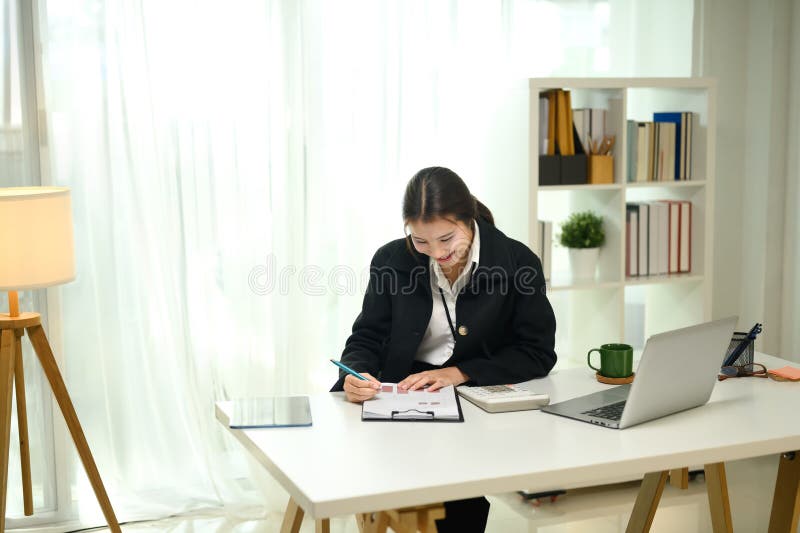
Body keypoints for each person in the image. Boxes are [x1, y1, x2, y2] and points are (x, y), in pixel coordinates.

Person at [331, 166, 557, 533]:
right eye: (421, 241)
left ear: (469, 220)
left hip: (477, 403)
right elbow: (366, 338)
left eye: (447, 239)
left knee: (459, 500)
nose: (436, 253)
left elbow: (538, 352)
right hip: (402, 400)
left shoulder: (518, 263)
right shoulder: (392, 261)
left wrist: (461, 373)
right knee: (399, 484)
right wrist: (354, 375)